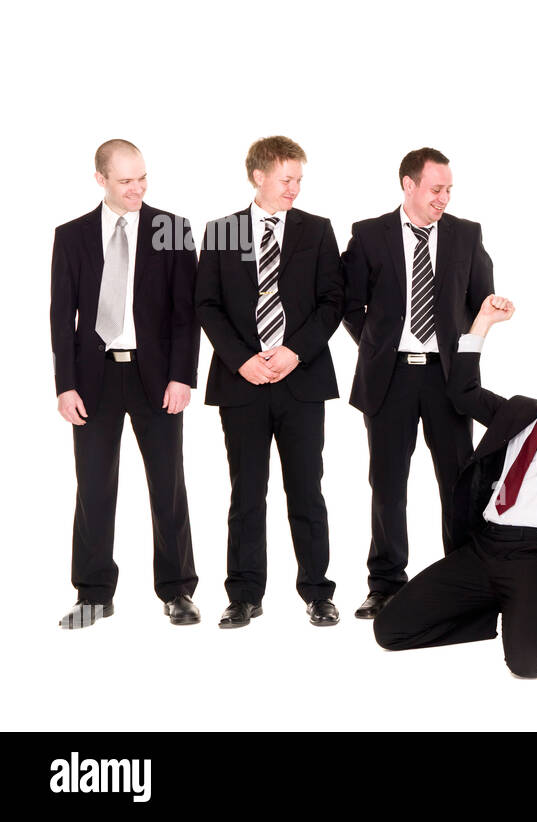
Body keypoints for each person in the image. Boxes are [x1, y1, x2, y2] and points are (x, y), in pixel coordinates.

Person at [374, 293, 537, 677]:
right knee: (390, 630)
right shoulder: (520, 410)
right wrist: (482, 323)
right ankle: (496, 612)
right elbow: (462, 393)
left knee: (527, 665)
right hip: (485, 546)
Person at [50, 139, 201, 628]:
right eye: (125, 181)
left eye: (142, 178)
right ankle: (93, 594)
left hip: (155, 377)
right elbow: (60, 318)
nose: (137, 188)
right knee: (93, 487)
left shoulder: (171, 230)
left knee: (168, 484)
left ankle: (177, 590)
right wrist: (64, 385)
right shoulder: (70, 236)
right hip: (92, 379)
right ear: (100, 180)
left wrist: (182, 377)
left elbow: (186, 315)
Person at [195, 135, 344, 629]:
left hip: (300, 380)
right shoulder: (222, 231)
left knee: (307, 491)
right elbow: (206, 305)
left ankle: (318, 592)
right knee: (246, 492)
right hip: (243, 385)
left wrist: (294, 350)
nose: (294, 188)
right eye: (286, 179)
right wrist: (242, 361)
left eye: (299, 179)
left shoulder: (317, 230)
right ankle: (243, 594)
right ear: (258, 176)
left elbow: (332, 301)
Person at [341, 148, 493, 620]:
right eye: (435, 189)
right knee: (387, 482)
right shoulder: (369, 234)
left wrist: (467, 347)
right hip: (389, 376)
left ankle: (464, 578)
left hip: (448, 378)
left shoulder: (466, 235)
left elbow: (479, 301)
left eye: (449, 190)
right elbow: (349, 303)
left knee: (458, 480)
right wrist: (378, 344)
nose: (443, 198)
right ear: (408, 186)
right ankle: (385, 582)